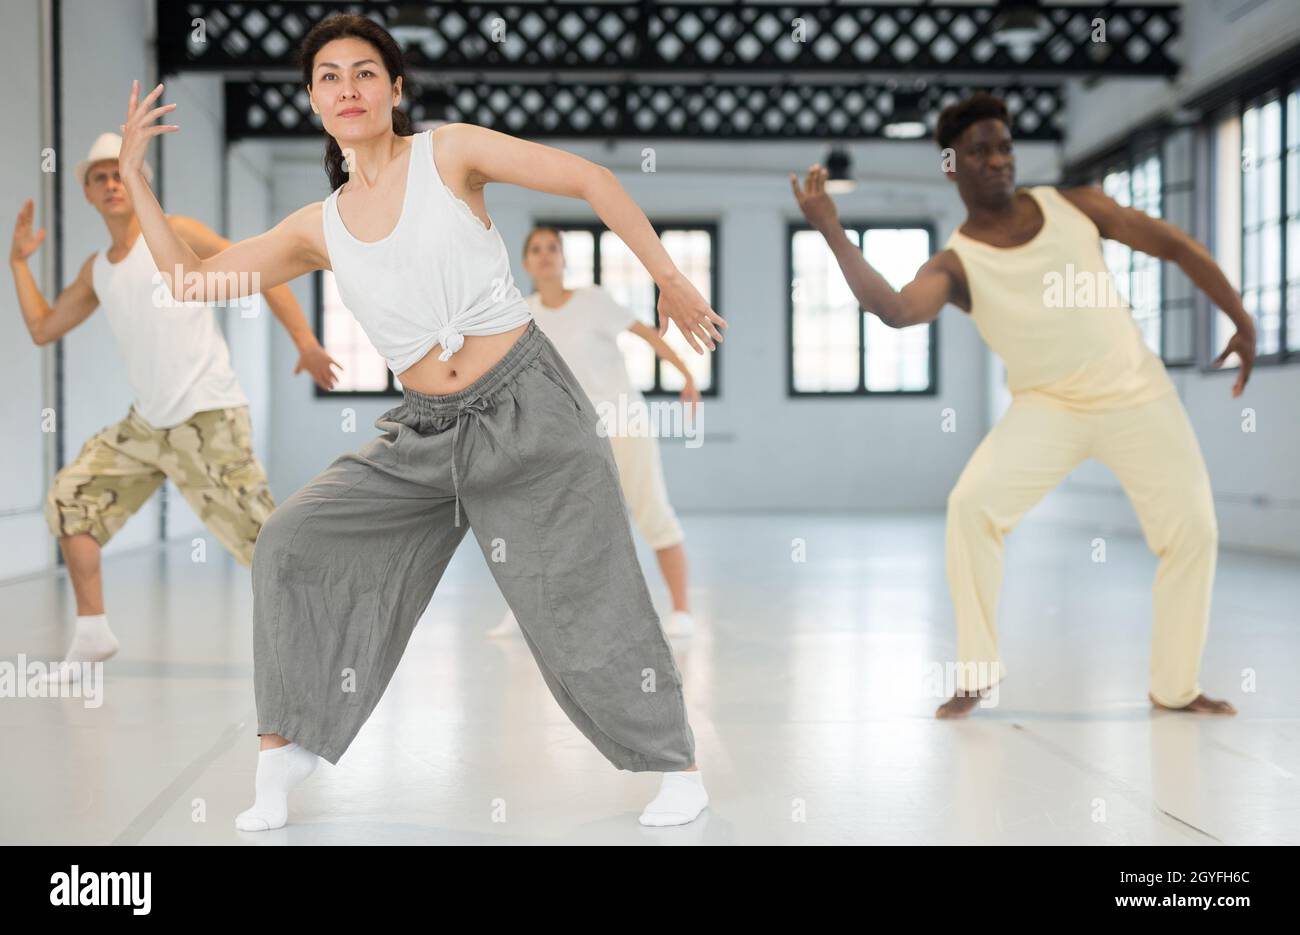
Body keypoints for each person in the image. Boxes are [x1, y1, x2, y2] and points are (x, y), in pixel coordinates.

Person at [116, 13, 727, 830]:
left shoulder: (451, 153)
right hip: (425, 428)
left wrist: (666, 277)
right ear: (313, 101)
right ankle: (288, 741)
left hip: (529, 409)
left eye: (365, 72)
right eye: (329, 76)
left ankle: (675, 764)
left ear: (395, 89)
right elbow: (190, 281)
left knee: (587, 596)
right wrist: (137, 177)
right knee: (290, 538)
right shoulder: (317, 226)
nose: (348, 88)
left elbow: (589, 179)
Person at [790, 92, 1250, 719]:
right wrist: (830, 229)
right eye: (979, 151)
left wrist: (1241, 317)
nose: (999, 160)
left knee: (1194, 530)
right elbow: (895, 311)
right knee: (971, 506)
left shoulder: (1075, 205)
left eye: (1005, 146)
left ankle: (1175, 686)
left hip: (1138, 395)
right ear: (952, 167)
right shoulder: (956, 264)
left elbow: (1173, 245)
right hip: (1048, 408)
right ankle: (977, 672)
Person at [10, 132, 337, 676]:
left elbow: (261, 271)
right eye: (100, 178)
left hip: (208, 414)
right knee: (71, 501)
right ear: (88, 193)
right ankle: (92, 634)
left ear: (140, 181)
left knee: (262, 540)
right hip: (147, 425)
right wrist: (19, 263)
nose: (112, 183)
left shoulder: (175, 232)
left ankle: (320, 638)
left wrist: (306, 342)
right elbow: (44, 328)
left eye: (121, 173)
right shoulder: (98, 270)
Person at [485, 225, 699, 639]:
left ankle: (681, 610)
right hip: (569, 435)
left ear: (564, 260)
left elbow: (648, 335)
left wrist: (686, 373)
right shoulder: (522, 315)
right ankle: (526, 613)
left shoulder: (594, 302)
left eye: (553, 248)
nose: (545, 255)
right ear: (526, 263)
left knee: (652, 510)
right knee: (543, 522)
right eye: (536, 249)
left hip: (624, 424)